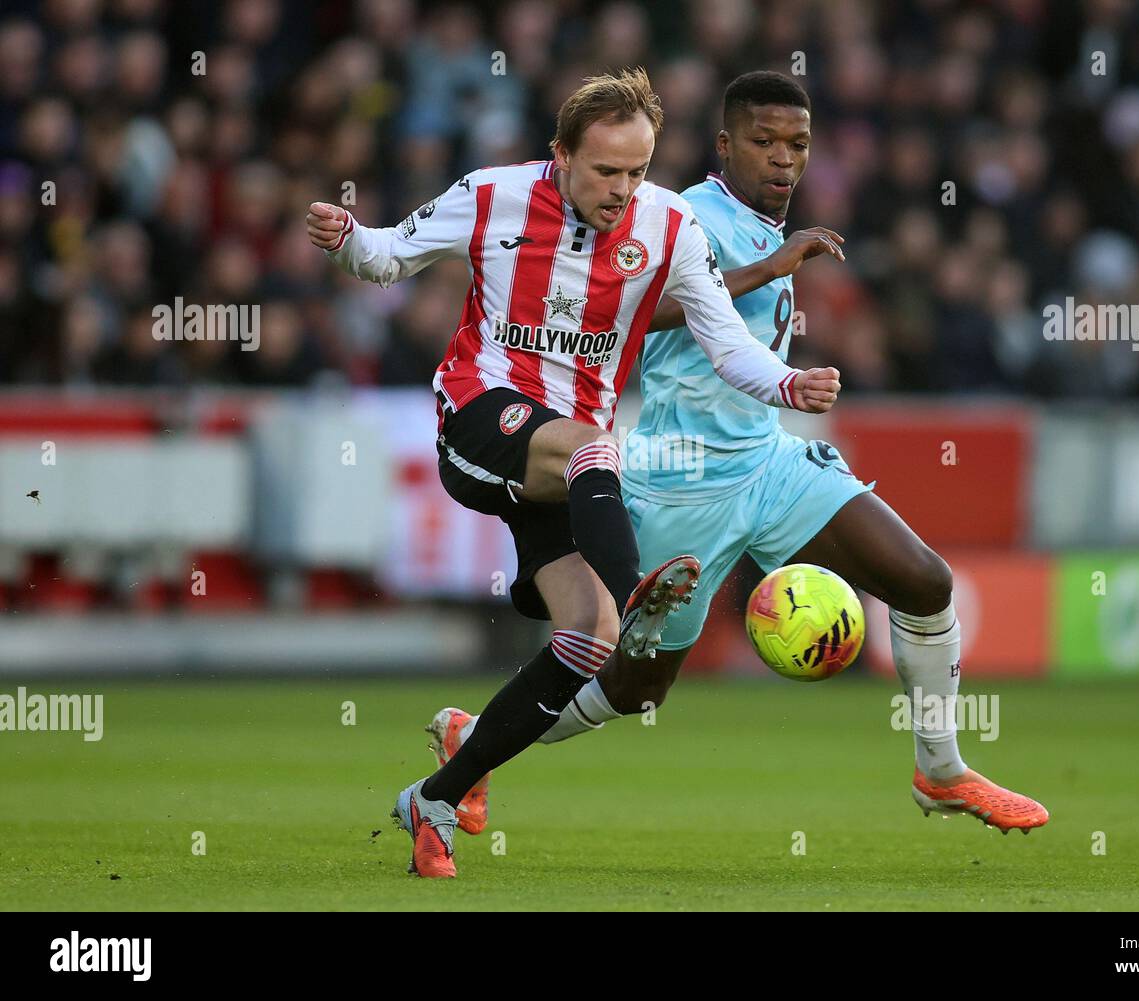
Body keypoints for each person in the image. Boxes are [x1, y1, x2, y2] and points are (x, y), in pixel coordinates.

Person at [436, 71, 1048, 838]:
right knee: (633, 690)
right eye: (763, 142)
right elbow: (627, 311)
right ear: (725, 145)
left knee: (923, 580)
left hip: (766, 460)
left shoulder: (768, 225)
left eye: (797, 144)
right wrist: (767, 268)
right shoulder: (681, 214)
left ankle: (942, 768)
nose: (782, 158)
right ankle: (474, 742)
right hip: (682, 478)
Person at [306, 68, 842, 878]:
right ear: (561, 155)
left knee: (585, 644)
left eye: (637, 171)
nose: (623, 189)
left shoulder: (669, 226)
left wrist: (787, 385)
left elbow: (727, 340)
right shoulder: (493, 195)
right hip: (481, 419)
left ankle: (437, 797)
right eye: (605, 171)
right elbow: (385, 260)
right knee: (599, 451)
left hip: (559, 462)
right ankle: (639, 596)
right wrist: (348, 237)